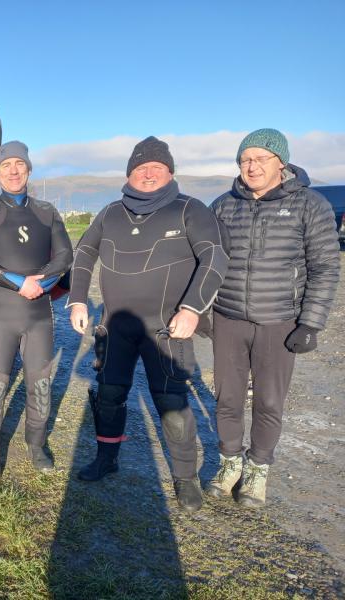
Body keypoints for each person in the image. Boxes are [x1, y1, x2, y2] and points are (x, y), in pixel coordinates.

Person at [68, 137, 229, 513]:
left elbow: (215, 258)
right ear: (129, 173)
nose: (149, 172)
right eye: (141, 167)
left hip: (167, 328)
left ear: (171, 171)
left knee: (171, 403)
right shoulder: (110, 213)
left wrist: (191, 309)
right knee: (108, 396)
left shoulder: (190, 209)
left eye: (157, 166)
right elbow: (84, 253)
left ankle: (185, 478)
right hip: (116, 327)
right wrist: (77, 299)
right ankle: (106, 459)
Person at [206, 129, 339, 506]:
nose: (252, 166)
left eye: (261, 159)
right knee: (227, 398)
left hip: (280, 321)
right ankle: (229, 462)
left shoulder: (310, 205)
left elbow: (326, 267)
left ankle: (258, 470)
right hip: (229, 318)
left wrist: (310, 322)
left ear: (281, 162)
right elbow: (207, 263)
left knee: (268, 401)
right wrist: (200, 310)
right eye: (245, 159)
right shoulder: (222, 205)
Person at [0, 141, 73, 479]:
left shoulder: (46, 212)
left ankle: (36, 444)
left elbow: (63, 256)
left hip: (38, 314)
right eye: (6, 165)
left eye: (19, 164)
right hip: (1, 315)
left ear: (29, 169)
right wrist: (20, 283)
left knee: (40, 384)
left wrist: (39, 284)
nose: (13, 171)